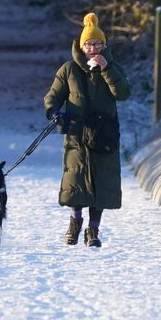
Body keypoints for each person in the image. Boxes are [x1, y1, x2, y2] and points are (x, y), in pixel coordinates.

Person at [43, 13, 131, 247]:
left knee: (101, 182)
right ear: (81, 46)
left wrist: (107, 69)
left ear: (104, 45)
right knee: (76, 180)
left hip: (104, 135)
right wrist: (53, 113)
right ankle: (75, 222)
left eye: (97, 43)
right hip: (77, 135)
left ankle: (93, 230)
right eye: (89, 44)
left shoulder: (112, 67)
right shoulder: (69, 70)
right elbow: (53, 96)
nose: (93, 48)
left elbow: (122, 93)